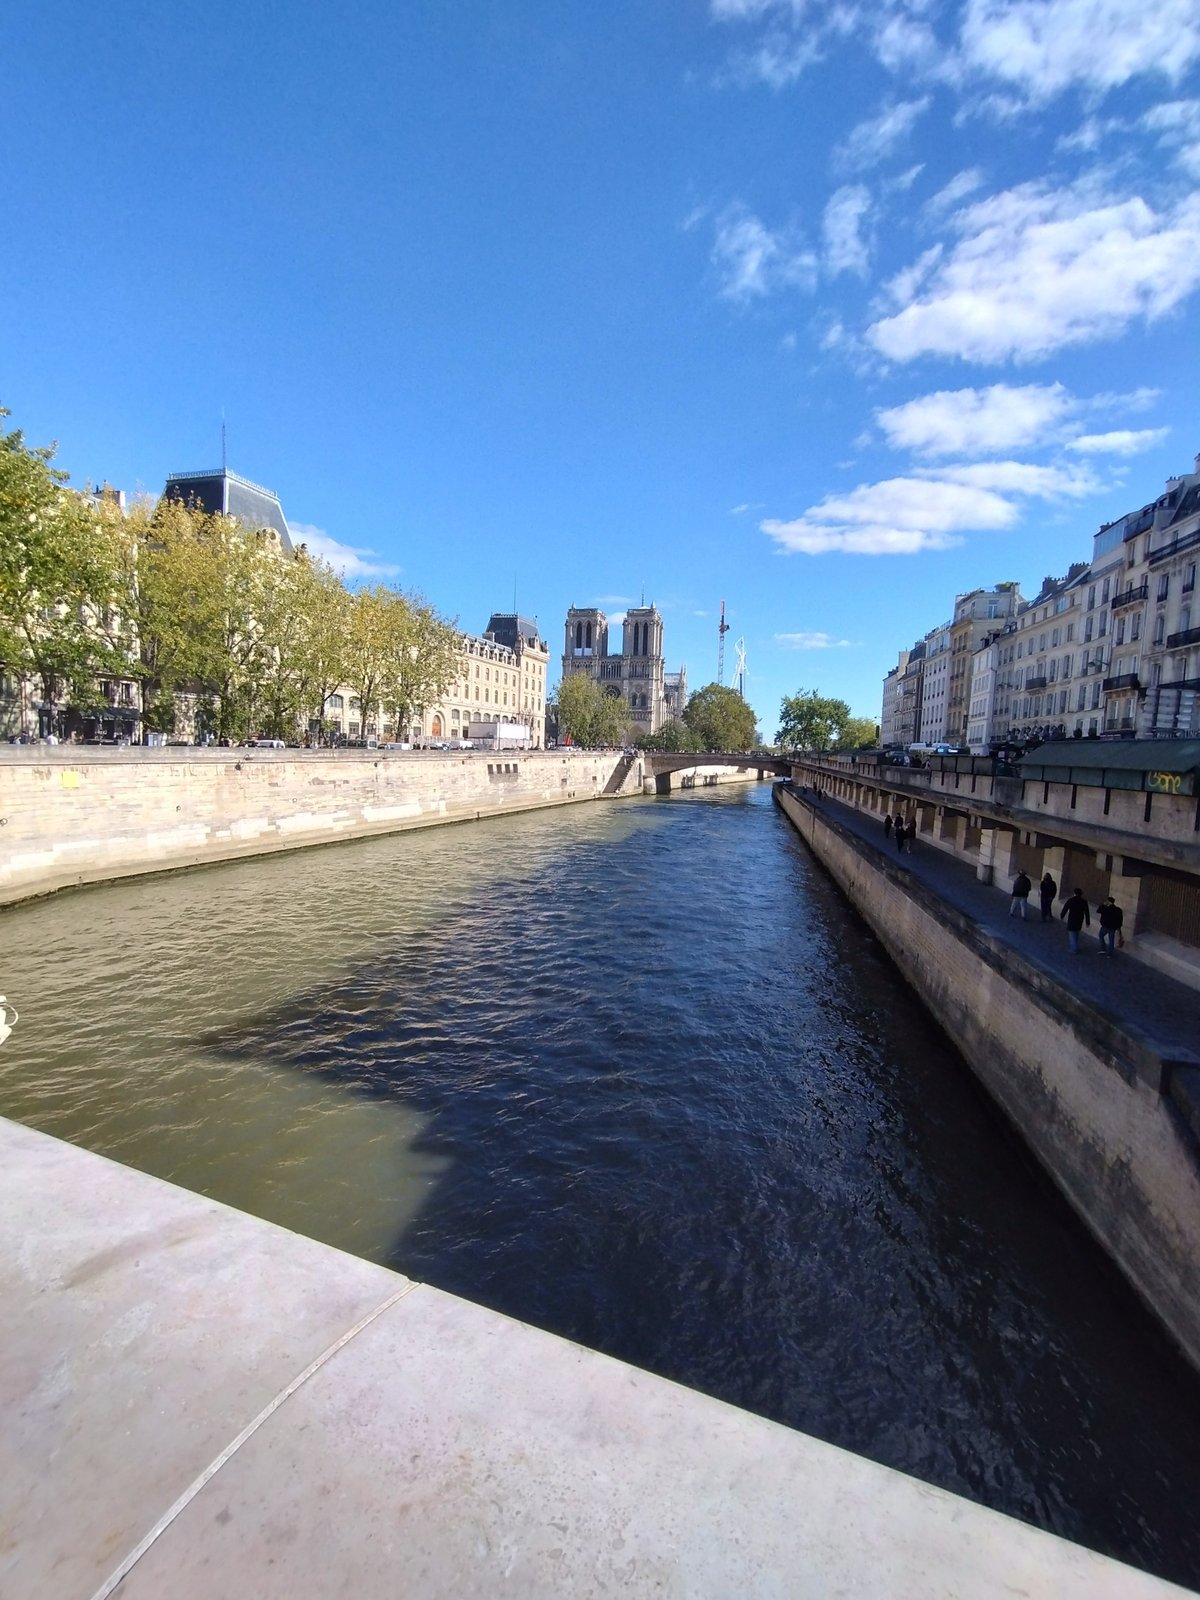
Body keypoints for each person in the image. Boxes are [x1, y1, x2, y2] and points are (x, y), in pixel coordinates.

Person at [1060, 887, 1091, 954]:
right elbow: (1087, 912)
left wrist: (1062, 915)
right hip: (1080, 919)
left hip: (1072, 918)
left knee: (1072, 933)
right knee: (1076, 932)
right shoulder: (1084, 901)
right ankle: (1075, 945)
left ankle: (1074, 949)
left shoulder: (1071, 900)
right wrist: (1087, 922)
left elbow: (1065, 908)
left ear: (1074, 893)